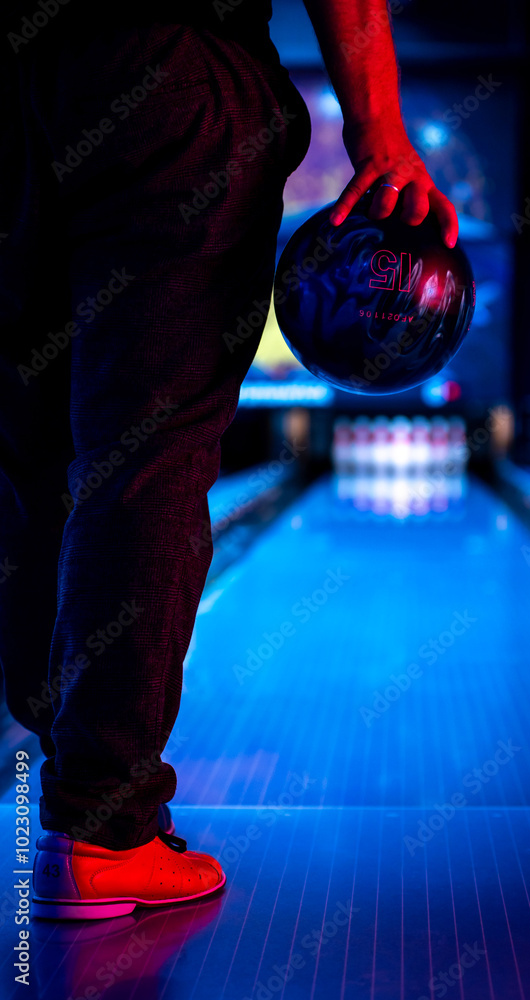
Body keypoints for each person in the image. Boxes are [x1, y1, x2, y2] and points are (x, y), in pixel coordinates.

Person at [0, 0, 458, 920]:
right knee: (146, 450)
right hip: (172, 75)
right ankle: (104, 828)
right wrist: (379, 139)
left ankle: (60, 778)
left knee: (34, 443)